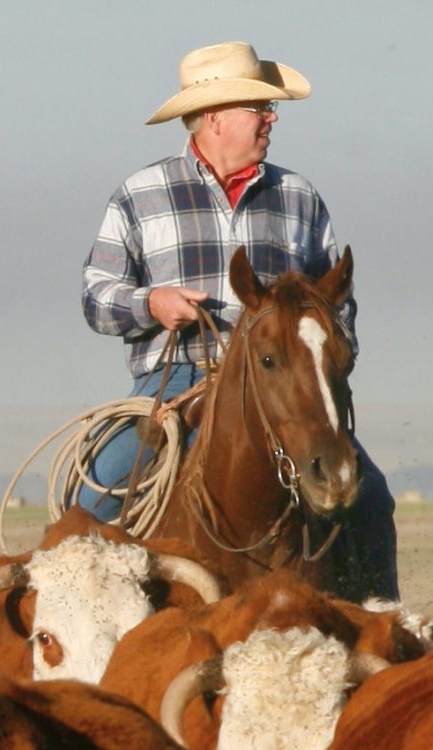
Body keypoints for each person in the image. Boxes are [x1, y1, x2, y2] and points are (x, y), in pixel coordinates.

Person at [79, 41, 398, 601]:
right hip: (176, 378)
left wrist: (324, 351)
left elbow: (335, 301)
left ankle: (379, 626)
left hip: (282, 385)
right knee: (100, 490)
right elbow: (96, 296)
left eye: (269, 108)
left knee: (369, 497)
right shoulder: (139, 195)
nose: (271, 118)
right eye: (259, 107)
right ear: (214, 118)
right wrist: (152, 305)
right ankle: (86, 638)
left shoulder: (299, 197)